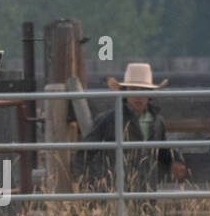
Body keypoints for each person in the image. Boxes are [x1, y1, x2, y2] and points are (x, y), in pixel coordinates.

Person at [73, 62, 188, 193]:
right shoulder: (109, 119)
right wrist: (88, 184)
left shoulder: (157, 122)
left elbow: (162, 150)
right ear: (125, 93)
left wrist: (176, 160)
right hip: (114, 190)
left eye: (143, 90)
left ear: (149, 94)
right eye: (133, 90)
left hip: (147, 190)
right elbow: (84, 153)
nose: (138, 96)